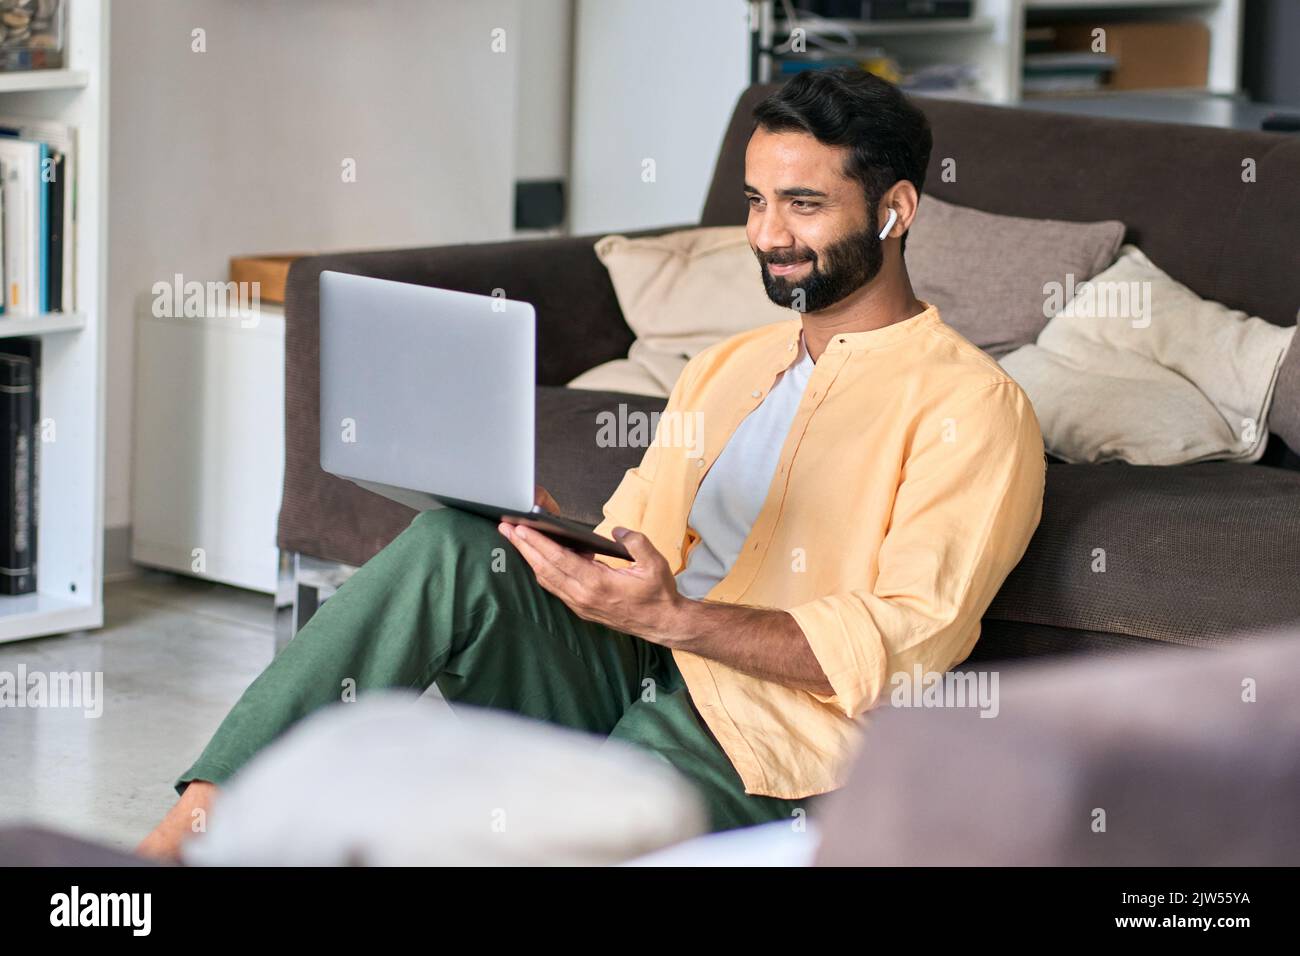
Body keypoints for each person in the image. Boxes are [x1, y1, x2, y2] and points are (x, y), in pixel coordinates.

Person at [137, 68, 1045, 861]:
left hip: (772, 740)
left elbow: (904, 650)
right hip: (637, 658)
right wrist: (560, 541)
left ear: (896, 209)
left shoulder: (973, 408)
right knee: (456, 544)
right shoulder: (725, 369)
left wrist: (681, 618)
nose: (768, 234)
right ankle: (188, 837)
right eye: (755, 200)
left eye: (804, 204)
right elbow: (636, 535)